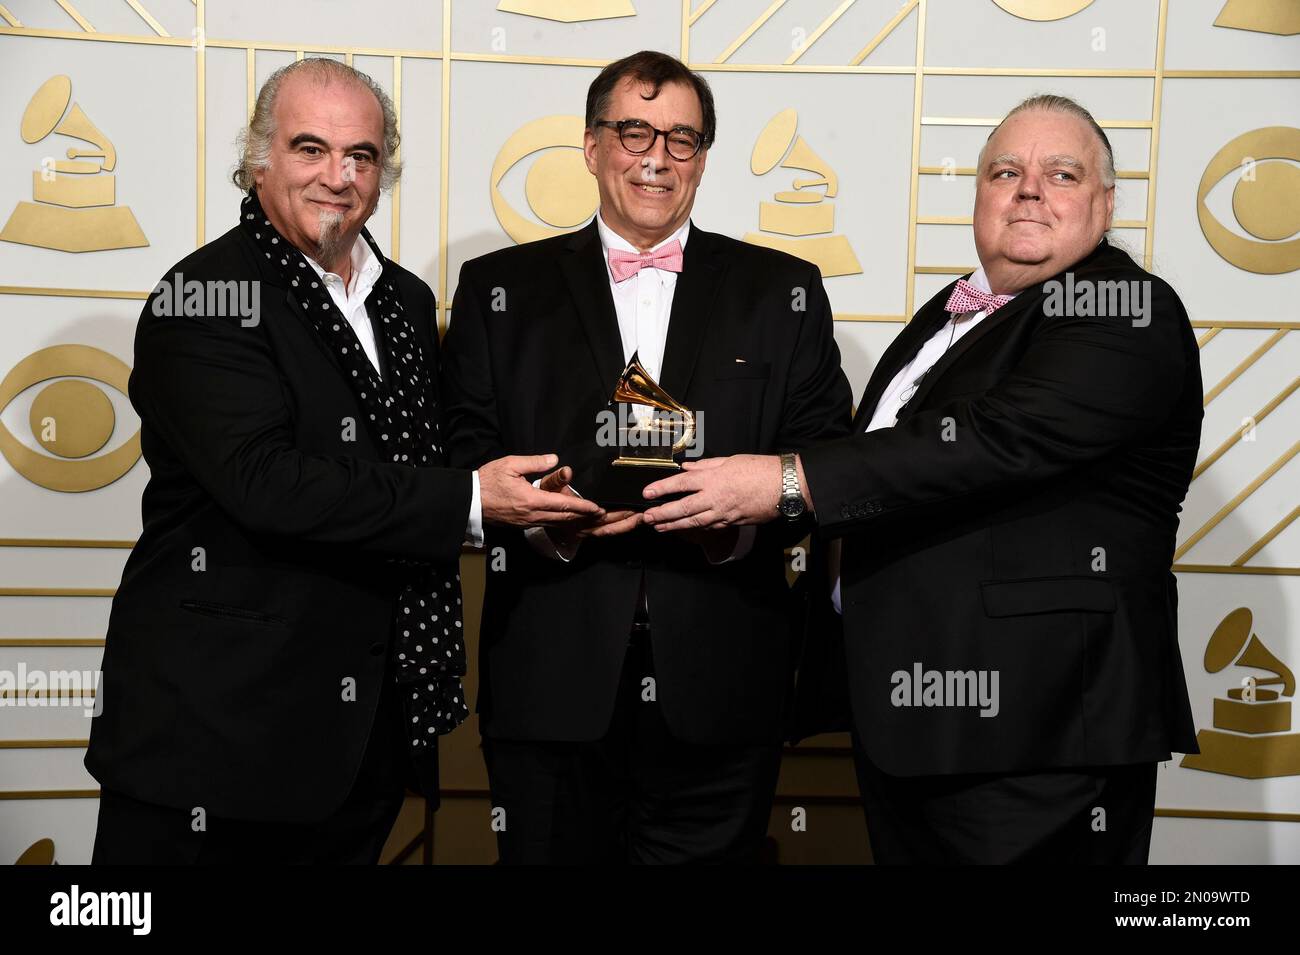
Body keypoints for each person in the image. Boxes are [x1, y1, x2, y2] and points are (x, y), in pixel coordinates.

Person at [642, 94, 1202, 865]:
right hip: (913, 724)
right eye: (1005, 171)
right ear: (979, 196)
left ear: (1106, 203)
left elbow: (987, 441)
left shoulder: (1128, 309)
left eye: (1062, 173)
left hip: (1037, 729)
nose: (1029, 188)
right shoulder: (949, 311)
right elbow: (881, 470)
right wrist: (737, 509)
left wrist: (781, 481)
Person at [85, 58, 599, 864]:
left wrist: (540, 508)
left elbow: (424, 463)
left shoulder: (401, 299)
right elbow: (267, 483)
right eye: (310, 149)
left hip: (368, 734)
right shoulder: (205, 294)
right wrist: (473, 500)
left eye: (360, 155)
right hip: (216, 739)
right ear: (260, 160)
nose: (338, 176)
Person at [441, 50, 852, 864]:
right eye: (634, 131)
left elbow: (827, 459)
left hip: (725, 683)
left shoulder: (785, 289)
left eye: (682, 138)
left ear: (703, 156)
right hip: (547, 681)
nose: (656, 157)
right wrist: (537, 521)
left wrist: (738, 520)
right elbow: (461, 450)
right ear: (592, 147)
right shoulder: (498, 288)